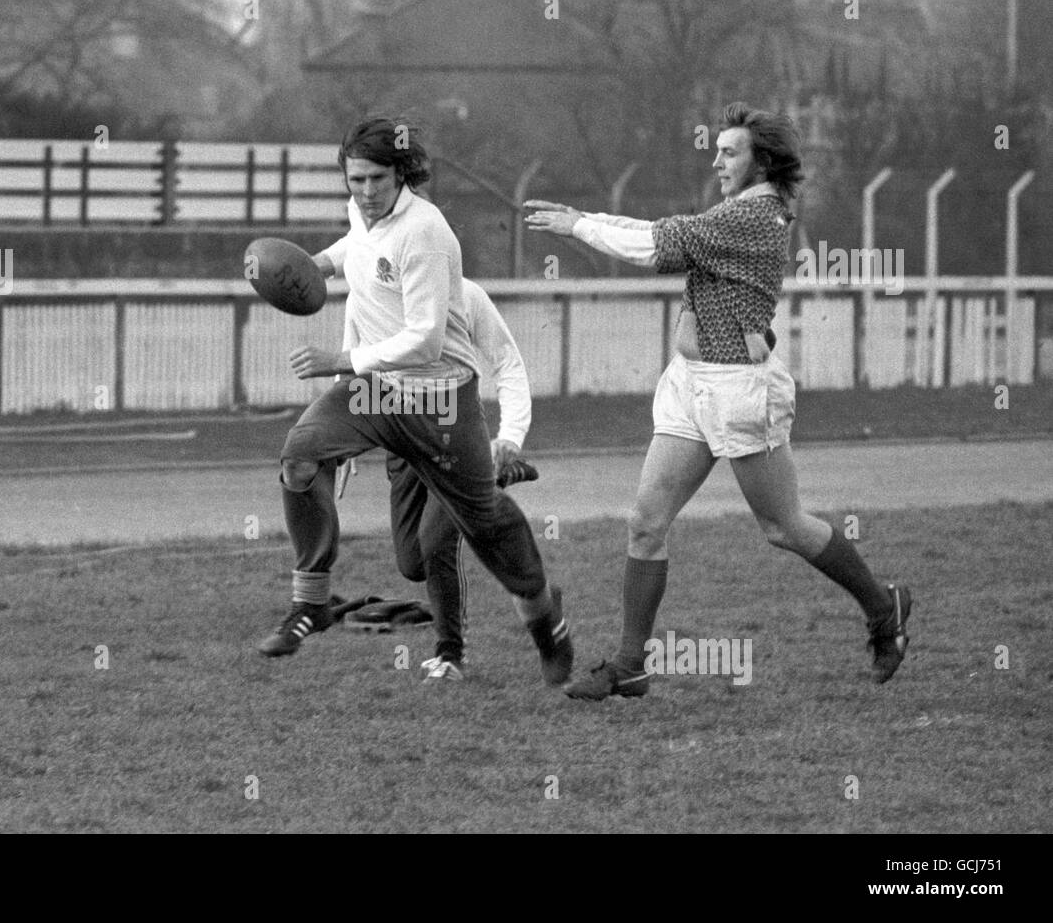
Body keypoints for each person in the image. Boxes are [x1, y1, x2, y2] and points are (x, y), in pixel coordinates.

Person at [524, 101, 913, 701]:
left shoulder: (753, 221)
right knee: (645, 524)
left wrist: (578, 224)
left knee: (783, 527)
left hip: (738, 390)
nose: (717, 160)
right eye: (719, 150)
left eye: (730, 152)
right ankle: (630, 664)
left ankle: (882, 606)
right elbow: (661, 231)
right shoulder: (733, 212)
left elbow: (654, 245)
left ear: (762, 164)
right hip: (690, 385)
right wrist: (585, 217)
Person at [258, 116, 573, 688]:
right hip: (377, 393)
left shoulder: (426, 232)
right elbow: (359, 246)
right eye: (356, 179)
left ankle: (544, 616)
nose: (367, 191)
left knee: (482, 529)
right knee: (300, 455)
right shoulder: (363, 212)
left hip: (440, 406)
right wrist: (316, 266)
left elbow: (425, 339)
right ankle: (312, 601)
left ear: (402, 174)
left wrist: (342, 361)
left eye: (378, 178)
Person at [338, 277, 536, 683]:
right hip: (402, 439)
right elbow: (353, 367)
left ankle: (450, 655)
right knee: (412, 562)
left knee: (435, 542)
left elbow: (508, 363)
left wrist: (511, 435)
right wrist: (342, 442)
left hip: (454, 435)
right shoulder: (365, 294)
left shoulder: (466, 295)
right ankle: (491, 482)